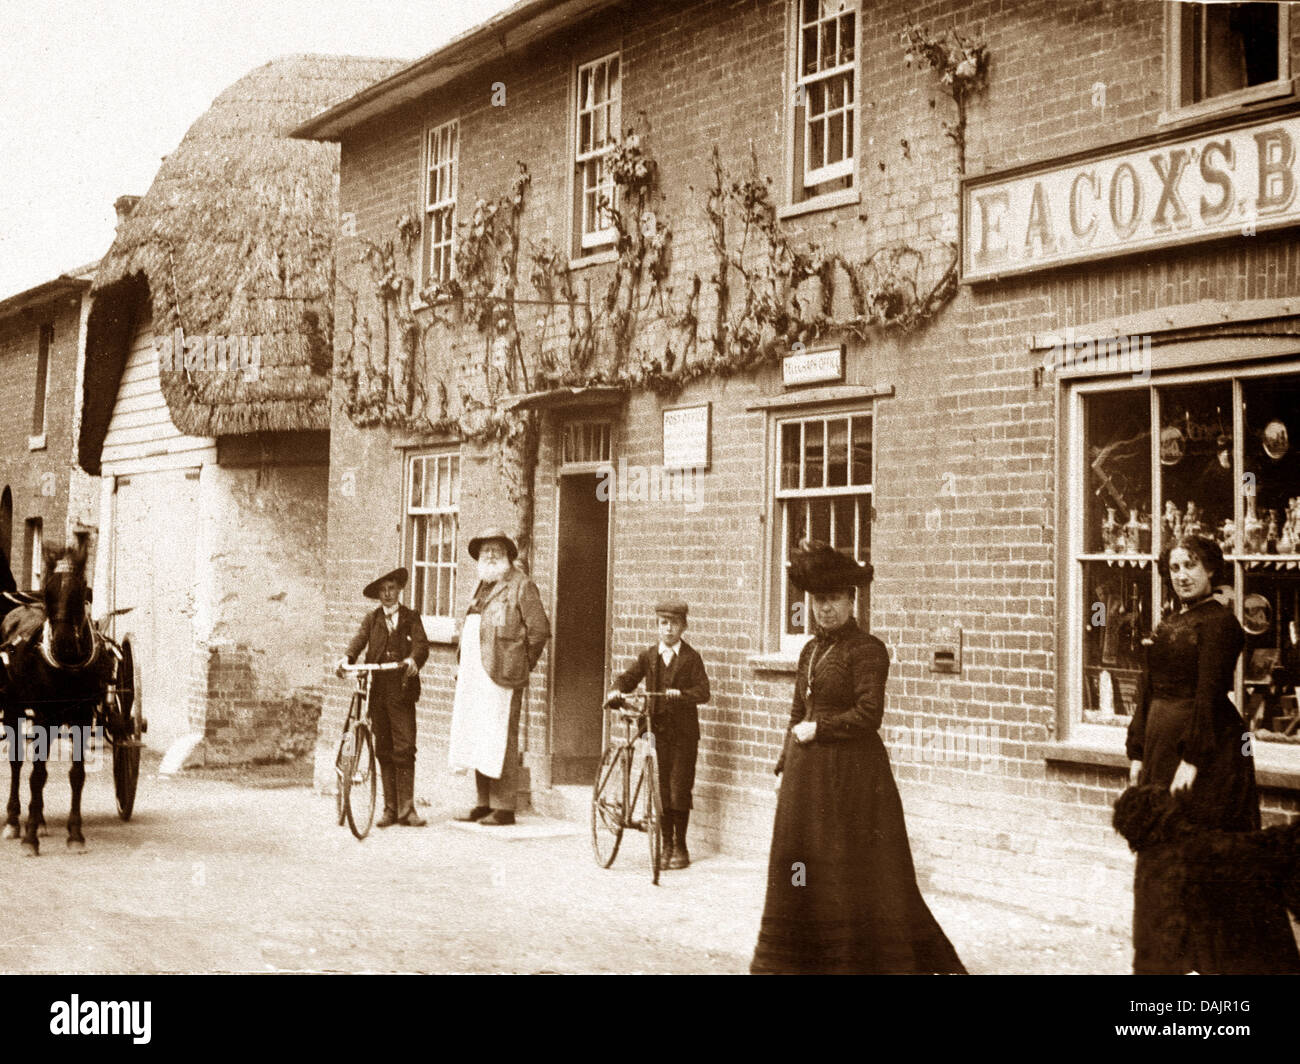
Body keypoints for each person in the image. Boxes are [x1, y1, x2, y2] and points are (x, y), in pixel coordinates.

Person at [750, 540, 965, 975]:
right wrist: (782, 763)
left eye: (833, 599)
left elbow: (869, 715)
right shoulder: (810, 651)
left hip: (853, 776)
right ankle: (802, 960)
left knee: (847, 864)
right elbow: (798, 712)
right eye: (818, 601)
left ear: (852, 599)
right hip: (805, 776)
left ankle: (852, 958)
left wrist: (821, 729)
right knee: (801, 862)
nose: (825, 609)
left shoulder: (868, 650)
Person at [1125, 534, 1300, 973]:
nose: (1182, 576)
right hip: (1163, 746)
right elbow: (1146, 689)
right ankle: (1172, 956)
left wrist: (1193, 758)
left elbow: (1208, 693)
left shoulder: (1221, 624)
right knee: (1165, 862)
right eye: (1175, 568)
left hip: (1207, 753)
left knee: (1209, 857)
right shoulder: (1169, 622)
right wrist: (1137, 751)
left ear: (1210, 570)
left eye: (1191, 566)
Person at [448, 528, 550, 826]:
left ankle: (504, 807)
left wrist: (520, 663)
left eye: (496, 550)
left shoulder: (521, 586)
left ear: (507, 555)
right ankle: (483, 803)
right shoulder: (480, 585)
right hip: (476, 673)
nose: (490, 555)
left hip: (503, 675)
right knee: (479, 733)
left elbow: (539, 630)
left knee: (501, 735)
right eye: (484, 551)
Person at [606, 599, 711, 869]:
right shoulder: (648, 657)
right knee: (660, 788)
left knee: (679, 788)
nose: (668, 629)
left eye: (674, 624)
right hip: (654, 732)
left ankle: (681, 846)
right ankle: (665, 845)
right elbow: (628, 678)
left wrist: (683, 695)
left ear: (684, 627)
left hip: (684, 735)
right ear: (657, 626)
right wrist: (617, 689)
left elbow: (703, 692)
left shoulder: (691, 658)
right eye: (663, 623)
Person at [336, 567, 429, 827]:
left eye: (391, 589)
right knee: (384, 748)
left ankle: (407, 809)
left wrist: (412, 660)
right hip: (377, 690)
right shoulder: (372, 619)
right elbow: (359, 640)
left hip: (401, 689)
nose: (388, 594)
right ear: (378, 594)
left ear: (399, 590)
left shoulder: (411, 617)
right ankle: (389, 809)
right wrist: (347, 658)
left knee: (405, 746)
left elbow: (421, 645)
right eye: (383, 590)